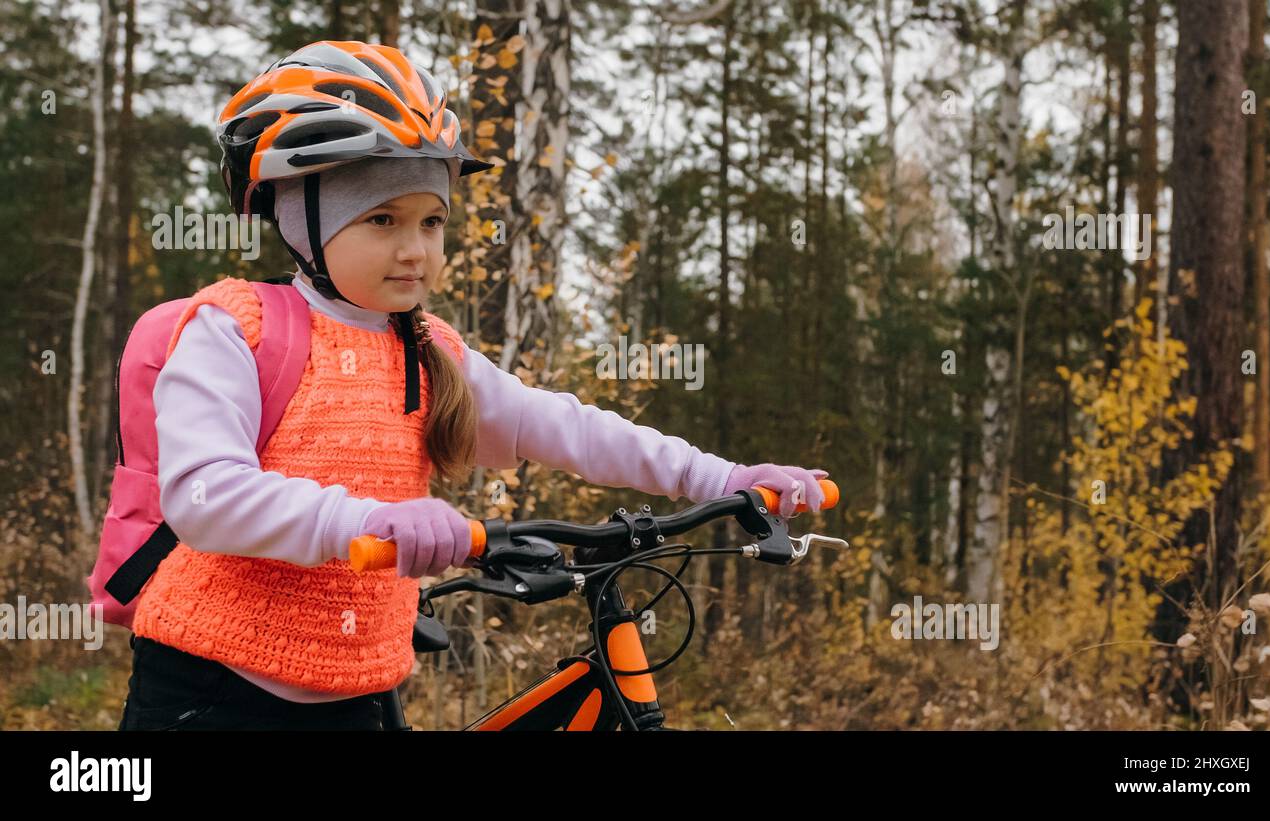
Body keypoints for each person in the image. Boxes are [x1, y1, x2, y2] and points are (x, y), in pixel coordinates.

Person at [118, 40, 827, 731]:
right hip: (210, 692)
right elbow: (204, 495)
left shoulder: (430, 351)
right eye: (382, 220)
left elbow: (567, 426)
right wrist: (365, 519)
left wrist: (725, 476)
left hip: (361, 691)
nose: (415, 249)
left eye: (432, 221)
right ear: (298, 221)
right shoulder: (237, 327)